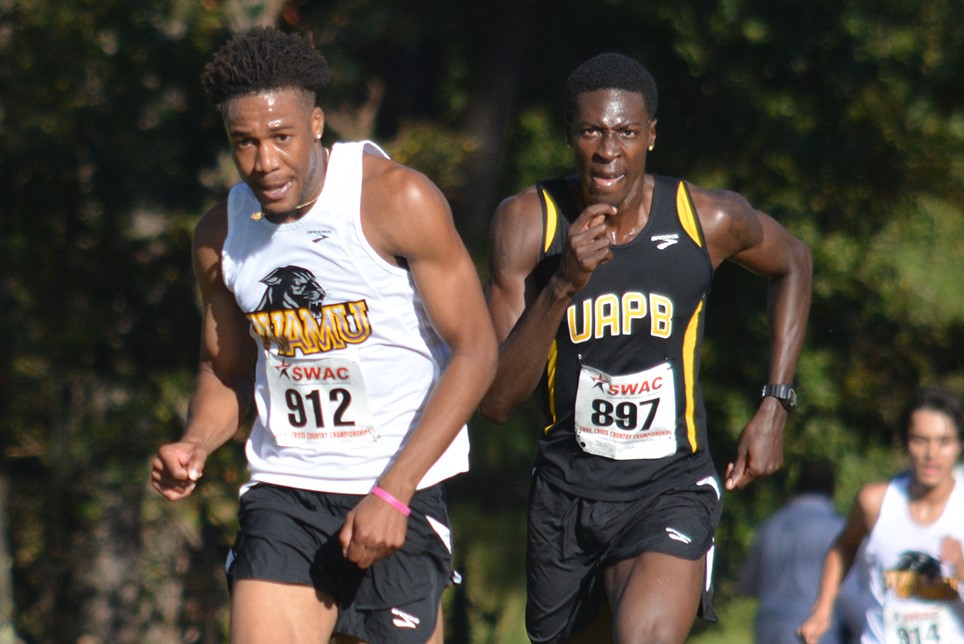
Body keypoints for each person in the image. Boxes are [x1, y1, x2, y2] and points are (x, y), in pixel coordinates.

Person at [149, 27, 497, 644]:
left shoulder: (396, 199)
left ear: (315, 124)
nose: (264, 163)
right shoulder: (220, 235)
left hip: (398, 486)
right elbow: (225, 370)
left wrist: (394, 495)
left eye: (280, 138)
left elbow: (476, 350)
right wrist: (198, 442)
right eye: (245, 144)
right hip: (286, 493)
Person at [480, 52, 813, 643]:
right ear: (569, 134)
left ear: (651, 136)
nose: (609, 151)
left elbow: (794, 263)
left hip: (669, 486)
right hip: (566, 494)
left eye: (627, 132)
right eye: (592, 131)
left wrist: (774, 406)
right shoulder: (528, 226)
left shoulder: (705, 218)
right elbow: (499, 401)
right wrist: (561, 287)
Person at [798, 387, 964, 644]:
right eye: (920, 440)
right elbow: (843, 548)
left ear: (959, 445)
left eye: (944, 442)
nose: (931, 454)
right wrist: (822, 608)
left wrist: (960, 569)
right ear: (905, 443)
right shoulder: (876, 502)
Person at [740, 459, 857, 644]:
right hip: (814, 626)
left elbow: (747, 584)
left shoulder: (771, 525)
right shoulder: (837, 529)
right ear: (832, 487)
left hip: (769, 625)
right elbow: (851, 592)